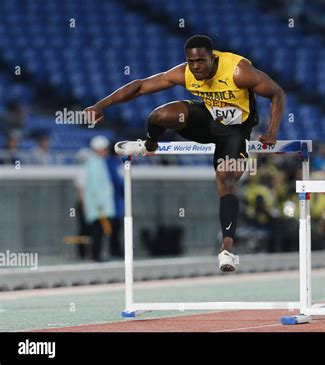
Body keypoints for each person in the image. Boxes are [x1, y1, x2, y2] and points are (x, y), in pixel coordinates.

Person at [83, 35, 285, 272]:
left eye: (201, 61)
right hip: (208, 120)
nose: (196, 67)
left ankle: (227, 249)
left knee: (225, 176)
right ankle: (149, 145)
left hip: (235, 131)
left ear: (213, 57)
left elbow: (276, 93)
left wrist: (272, 132)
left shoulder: (238, 72)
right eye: (191, 62)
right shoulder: (186, 72)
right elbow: (140, 86)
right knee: (161, 115)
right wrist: (100, 105)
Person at [83, 135, 116, 262]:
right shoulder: (94, 163)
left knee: (100, 232)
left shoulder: (98, 162)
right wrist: (100, 204)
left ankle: (98, 255)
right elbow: (96, 186)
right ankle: (96, 256)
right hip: (99, 206)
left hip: (100, 205)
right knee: (98, 232)